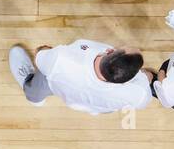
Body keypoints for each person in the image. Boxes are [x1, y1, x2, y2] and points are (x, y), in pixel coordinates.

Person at [8, 40, 154, 113]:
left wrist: (46, 50)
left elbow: (40, 56)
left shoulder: (60, 59)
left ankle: (34, 97)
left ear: (109, 51)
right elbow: (147, 78)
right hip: (89, 106)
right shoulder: (138, 95)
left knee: (39, 84)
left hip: (55, 80)